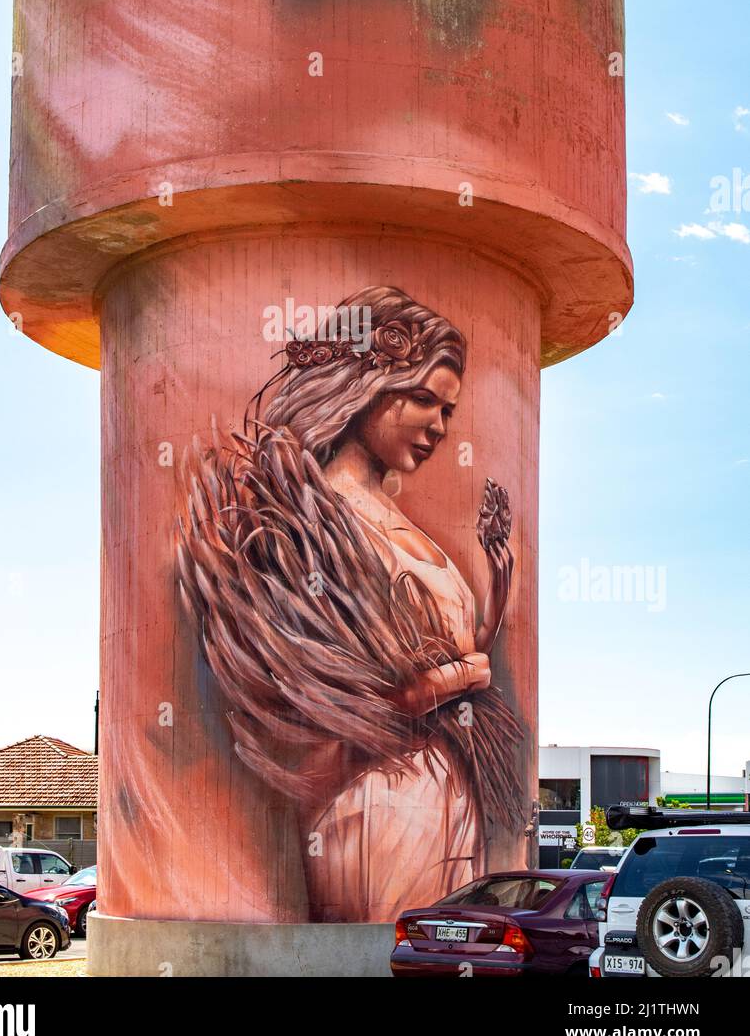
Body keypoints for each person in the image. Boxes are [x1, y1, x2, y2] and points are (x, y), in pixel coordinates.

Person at [176, 286, 523, 921]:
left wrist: (497, 587)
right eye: (422, 399)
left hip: (447, 796)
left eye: (447, 410)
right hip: (376, 804)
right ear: (365, 384)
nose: (440, 428)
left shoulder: (399, 522)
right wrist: (467, 676)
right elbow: (349, 707)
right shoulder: (312, 524)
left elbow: (448, 652)